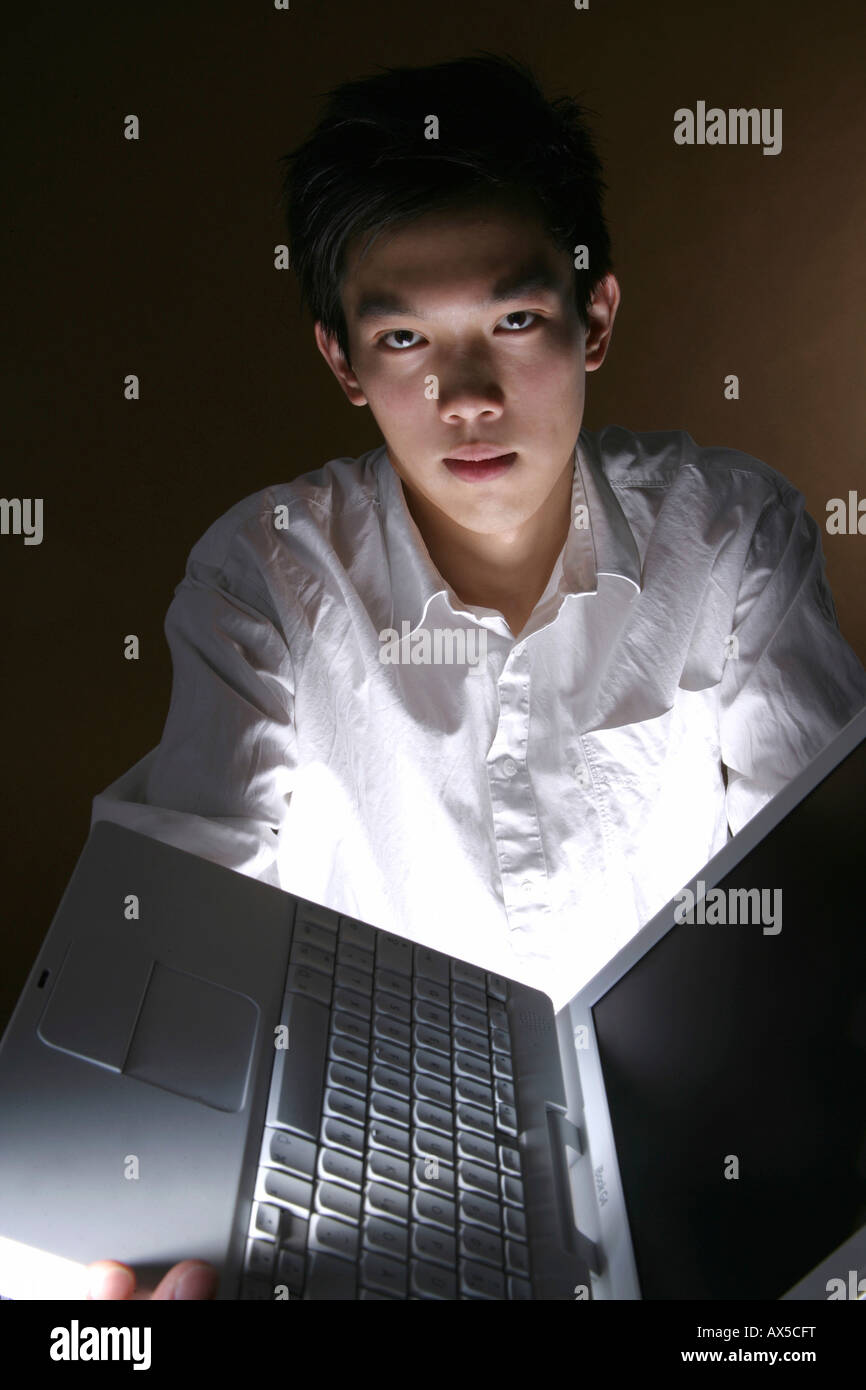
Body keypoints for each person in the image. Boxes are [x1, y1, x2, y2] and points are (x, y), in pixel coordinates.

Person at [86, 52, 866, 1300]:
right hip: (377, 1180)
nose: (465, 396)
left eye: (513, 321)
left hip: (690, 1172)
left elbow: (827, 908)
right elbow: (180, 903)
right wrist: (157, 1189)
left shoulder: (726, 534)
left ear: (593, 315)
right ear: (344, 361)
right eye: (404, 338)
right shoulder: (268, 573)